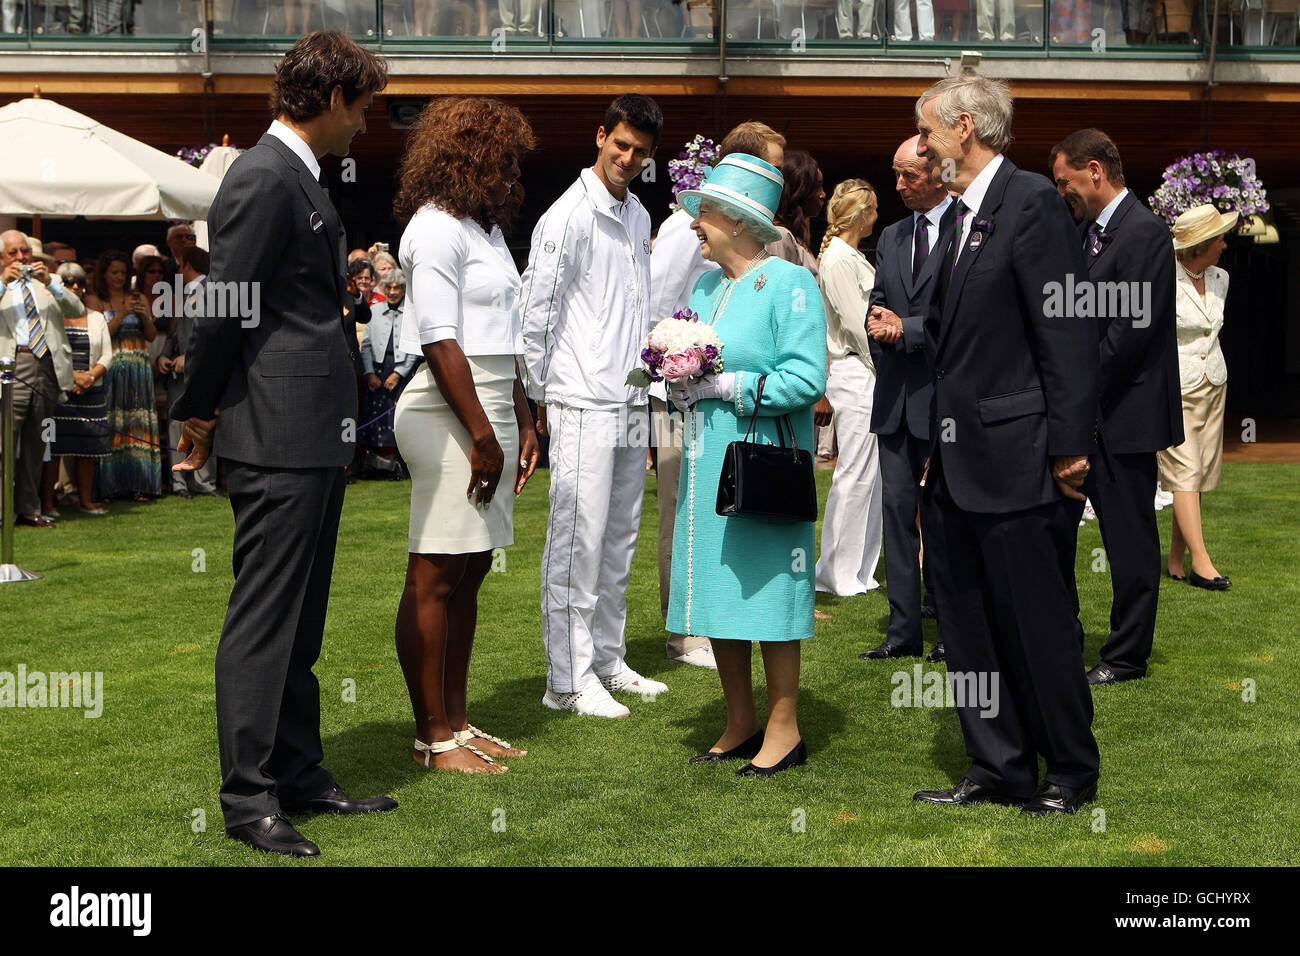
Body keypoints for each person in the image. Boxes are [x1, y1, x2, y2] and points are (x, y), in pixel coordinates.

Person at [170, 30, 394, 859]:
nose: (365, 124)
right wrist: (197, 410)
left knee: (300, 621)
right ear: (333, 99)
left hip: (310, 431)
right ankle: (249, 797)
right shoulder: (264, 176)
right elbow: (225, 304)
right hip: (275, 431)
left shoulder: (292, 174)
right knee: (266, 620)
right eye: (364, 106)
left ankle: (299, 772)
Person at [907, 75, 1101, 815]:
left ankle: (1071, 772)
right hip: (954, 464)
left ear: (964, 126)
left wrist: (1069, 446)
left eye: (927, 132)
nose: (922, 147)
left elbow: (1069, 335)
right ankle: (997, 767)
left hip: (1020, 460)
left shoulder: (1031, 205)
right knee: (965, 624)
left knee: (1036, 625)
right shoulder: (957, 216)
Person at [391, 96, 541, 772]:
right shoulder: (433, 229)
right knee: (436, 571)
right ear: (466, 157)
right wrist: (484, 435)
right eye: (503, 161)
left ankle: (457, 721)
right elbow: (439, 338)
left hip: (492, 408)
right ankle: (432, 738)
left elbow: (501, 337)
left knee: (472, 570)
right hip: (446, 410)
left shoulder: (486, 230)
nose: (512, 176)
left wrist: (523, 419)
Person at [668, 153, 827, 776]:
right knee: (717, 588)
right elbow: (694, 361)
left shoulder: (791, 283)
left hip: (764, 463)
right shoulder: (706, 287)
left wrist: (728, 386)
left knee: (768, 593)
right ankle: (739, 719)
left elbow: (806, 378)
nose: (693, 223)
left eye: (703, 212)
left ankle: (784, 728)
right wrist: (678, 383)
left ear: (736, 220)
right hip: (709, 460)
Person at [521, 93, 668, 718]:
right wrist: (539, 400)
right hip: (581, 400)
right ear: (600, 136)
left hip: (632, 398)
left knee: (620, 537)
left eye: (640, 152)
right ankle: (567, 680)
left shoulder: (637, 215)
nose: (628, 158)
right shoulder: (566, 217)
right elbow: (536, 317)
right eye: (621, 145)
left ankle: (607, 658)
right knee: (577, 541)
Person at [649, 121, 787, 671]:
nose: (776, 177)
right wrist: (676, 362)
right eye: (771, 165)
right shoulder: (689, 229)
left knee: (719, 503)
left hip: (720, 393)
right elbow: (660, 302)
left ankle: (718, 616)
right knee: (679, 508)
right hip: (676, 393)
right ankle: (684, 629)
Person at [1049, 128, 1183, 682]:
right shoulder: (1087, 235)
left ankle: (1127, 655)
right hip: (1086, 416)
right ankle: (1064, 637)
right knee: (1056, 533)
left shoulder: (1145, 232)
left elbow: (1131, 333)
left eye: (1066, 181)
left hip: (1125, 416)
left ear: (1095, 172)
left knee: (1129, 542)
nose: (1063, 193)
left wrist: (1072, 390)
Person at [861, 136, 949, 662]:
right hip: (894, 401)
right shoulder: (893, 237)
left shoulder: (967, 233)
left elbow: (968, 323)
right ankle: (903, 631)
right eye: (895, 174)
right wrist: (879, 323)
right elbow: (878, 304)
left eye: (907, 176)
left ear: (940, 172)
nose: (897, 186)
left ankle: (951, 626)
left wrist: (908, 329)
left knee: (943, 514)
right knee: (896, 511)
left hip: (945, 404)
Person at [1158, 204, 1236, 592]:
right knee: (1184, 472)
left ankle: (1176, 559)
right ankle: (1202, 564)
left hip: (1213, 385)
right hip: (1176, 388)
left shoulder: (1220, 277)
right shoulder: (1162, 278)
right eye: (1219, 237)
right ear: (1200, 244)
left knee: (1197, 474)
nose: (1225, 243)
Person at [814, 179, 883, 598]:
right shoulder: (839, 259)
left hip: (865, 372)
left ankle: (859, 569)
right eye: (873, 209)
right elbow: (858, 326)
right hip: (856, 371)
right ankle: (836, 571)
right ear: (861, 214)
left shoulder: (849, 255)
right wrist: (884, 366)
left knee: (869, 474)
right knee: (854, 472)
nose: (878, 216)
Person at [0, 230, 80, 528]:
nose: (21, 258)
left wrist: (51, 283)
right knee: (4, 441)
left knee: (37, 439)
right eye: (13, 253)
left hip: (45, 365)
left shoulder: (48, 283)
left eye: (25, 252)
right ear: (2, 258)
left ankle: (29, 508)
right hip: (12, 364)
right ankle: (1, 510)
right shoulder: (2, 286)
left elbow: (78, 308)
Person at [86, 249, 162, 502]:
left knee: (138, 424)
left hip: (139, 367)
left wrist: (143, 315)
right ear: (104, 274)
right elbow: (100, 336)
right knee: (113, 422)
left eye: (123, 272)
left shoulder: (138, 297)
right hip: (112, 366)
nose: (119, 277)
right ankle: (110, 485)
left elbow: (151, 335)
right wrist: (122, 314)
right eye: (114, 272)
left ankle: (141, 483)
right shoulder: (95, 300)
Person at [44, 262, 112, 516]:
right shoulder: (51, 315)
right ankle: (48, 503)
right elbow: (47, 351)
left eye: (80, 282)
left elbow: (107, 355)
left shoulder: (96, 317)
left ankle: (86, 501)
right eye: (69, 282)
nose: (75, 287)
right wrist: (70, 377)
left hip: (91, 391)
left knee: (87, 447)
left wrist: (90, 377)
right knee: (53, 447)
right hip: (59, 389)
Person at [158, 246, 218, 498]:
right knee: (176, 424)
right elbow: (176, 331)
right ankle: (179, 481)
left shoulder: (213, 292)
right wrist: (165, 354)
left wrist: (189, 358)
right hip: (177, 371)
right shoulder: (181, 295)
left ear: (186, 266)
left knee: (205, 423)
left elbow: (213, 334)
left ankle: (205, 482)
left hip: (203, 371)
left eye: (179, 265)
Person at [361, 268, 418, 474]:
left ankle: (401, 463)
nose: (393, 292)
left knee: (398, 415)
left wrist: (399, 373)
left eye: (397, 288)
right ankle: (379, 464)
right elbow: (366, 345)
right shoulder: (375, 311)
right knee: (376, 416)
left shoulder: (411, 313)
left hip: (400, 370)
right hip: (377, 369)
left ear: (404, 290)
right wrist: (369, 373)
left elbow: (414, 346)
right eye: (389, 287)